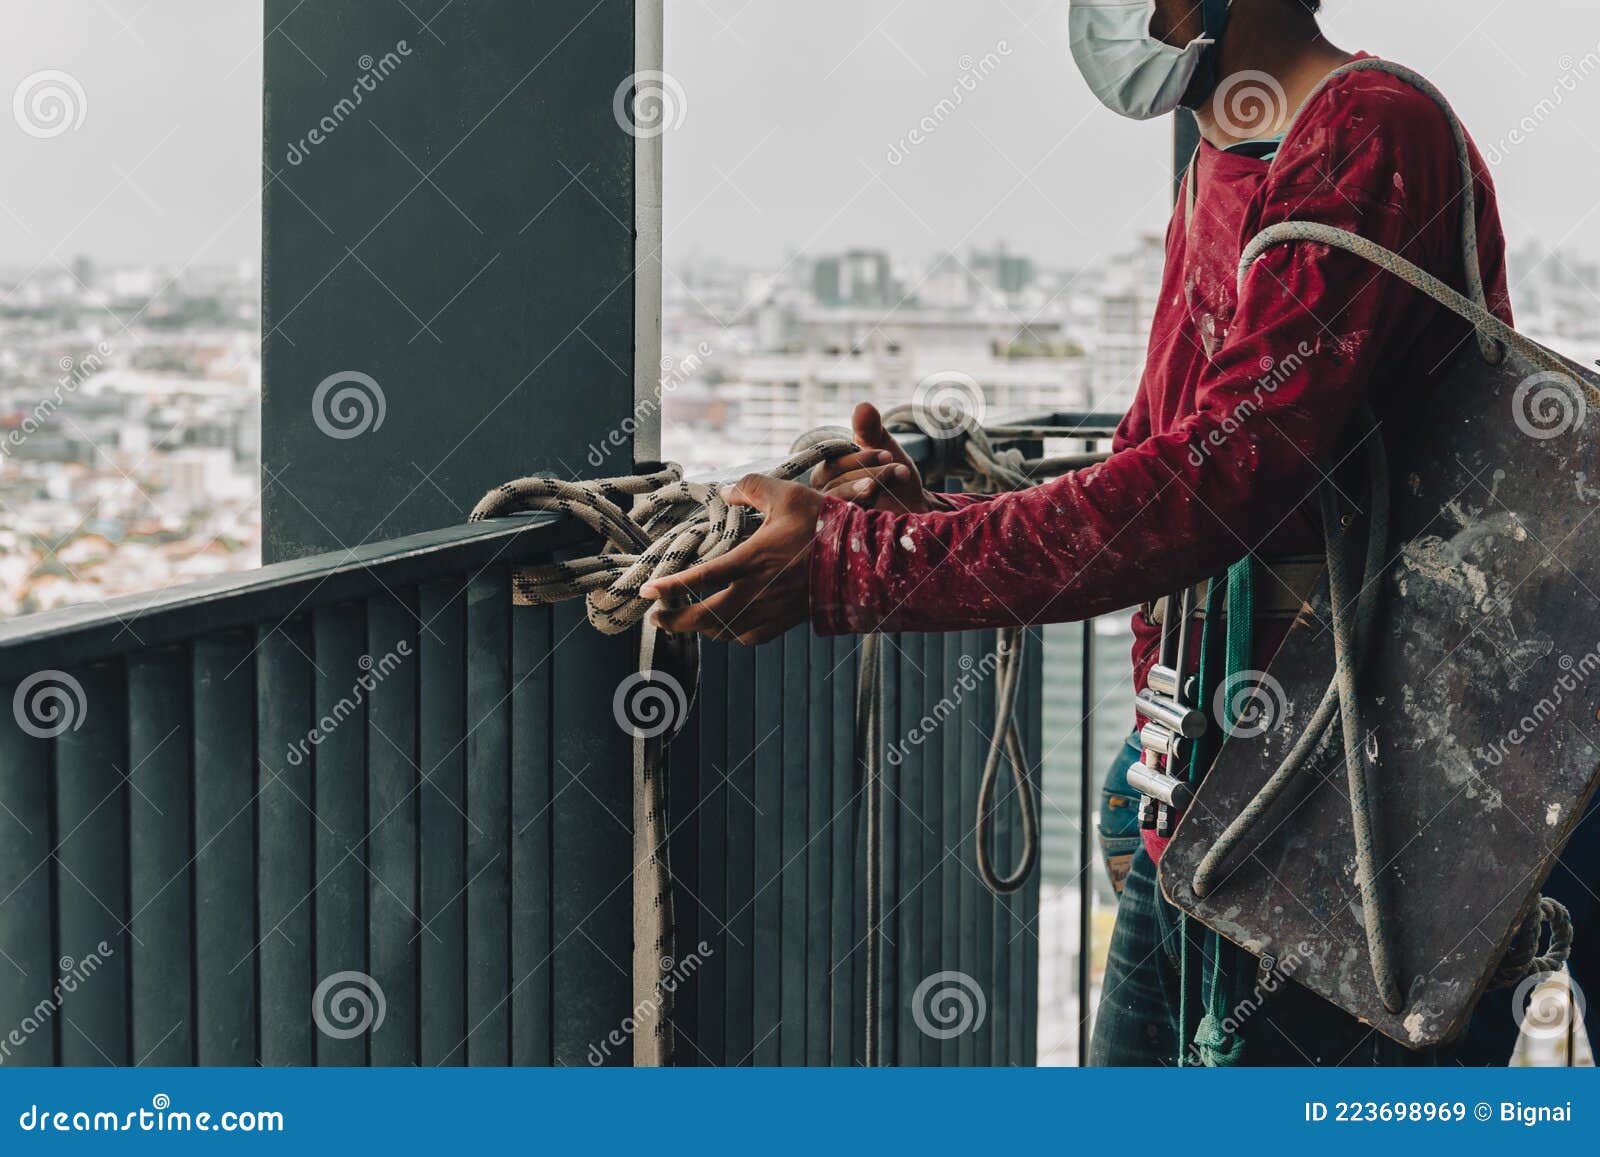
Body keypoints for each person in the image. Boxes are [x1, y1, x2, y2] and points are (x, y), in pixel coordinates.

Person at [643, 0, 1595, 1065]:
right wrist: (928, 521)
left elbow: (1220, 481)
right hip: (1209, 785)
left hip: (1348, 810)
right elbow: (1164, 457)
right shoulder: (1226, 161)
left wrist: (861, 565)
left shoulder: (1367, 131)